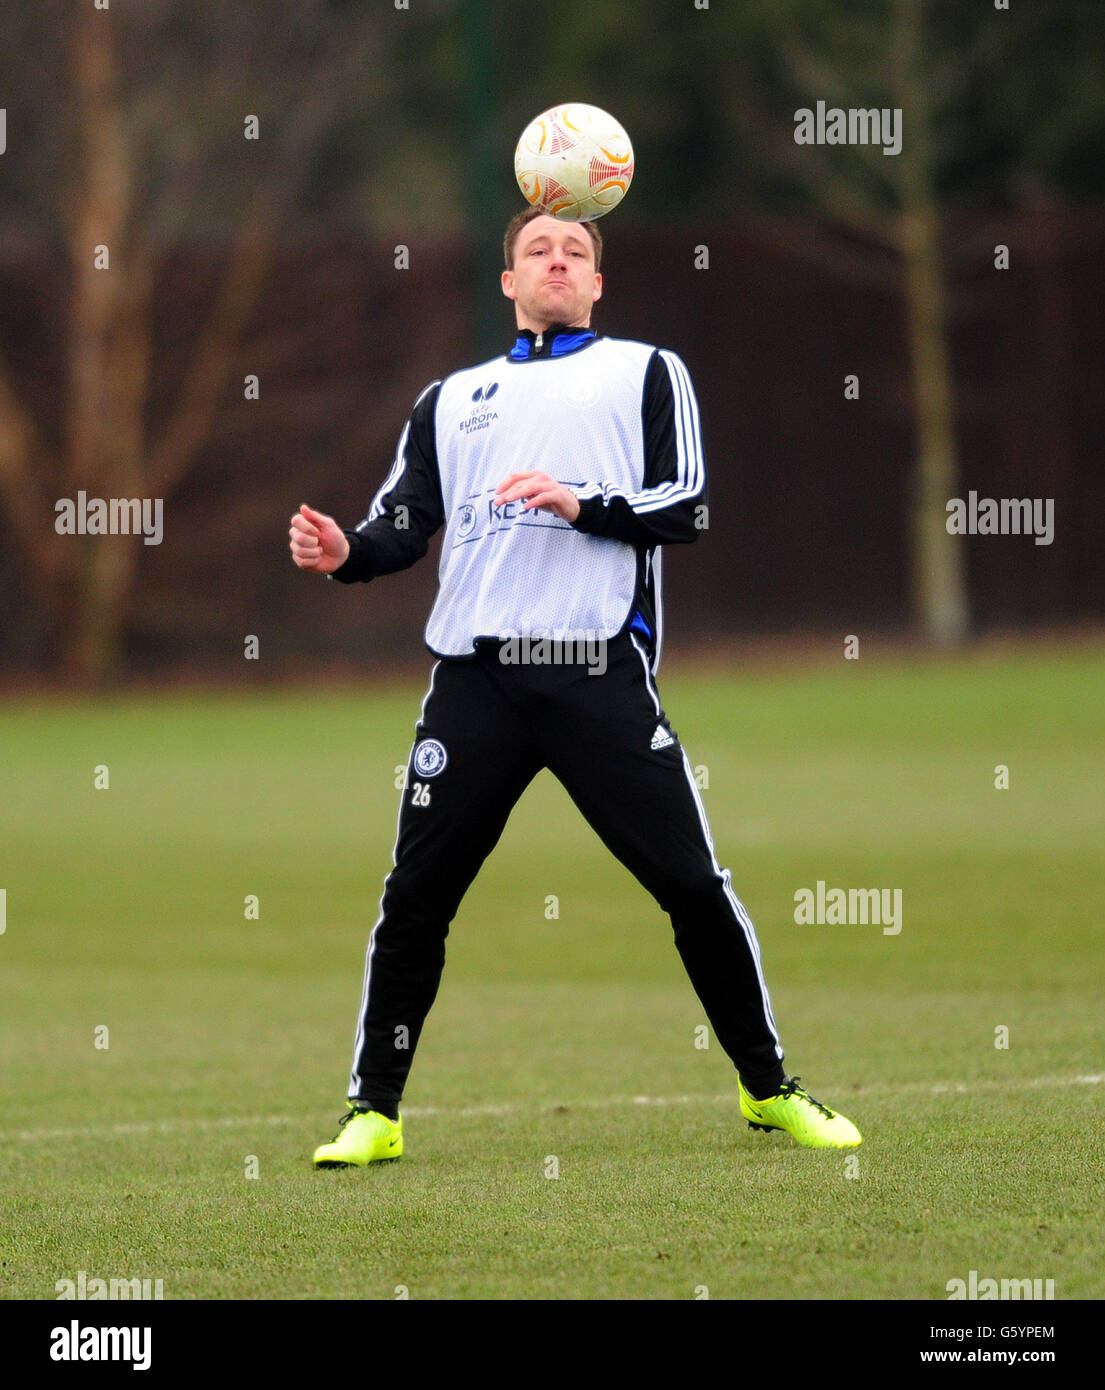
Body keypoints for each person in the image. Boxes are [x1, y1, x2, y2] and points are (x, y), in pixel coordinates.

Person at [289, 207, 861, 1164]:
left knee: (689, 885)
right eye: (536, 252)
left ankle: (768, 1089)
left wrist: (580, 502)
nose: (557, 262)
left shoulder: (644, 372)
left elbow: (687, 506)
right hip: (474, 683)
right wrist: (347, 550)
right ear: (507, 281)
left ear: (597, 283)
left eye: (576, 252)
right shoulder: (451, 398)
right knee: (416, 897)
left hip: (595, 670)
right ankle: (373, 1113)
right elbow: (401, 526)